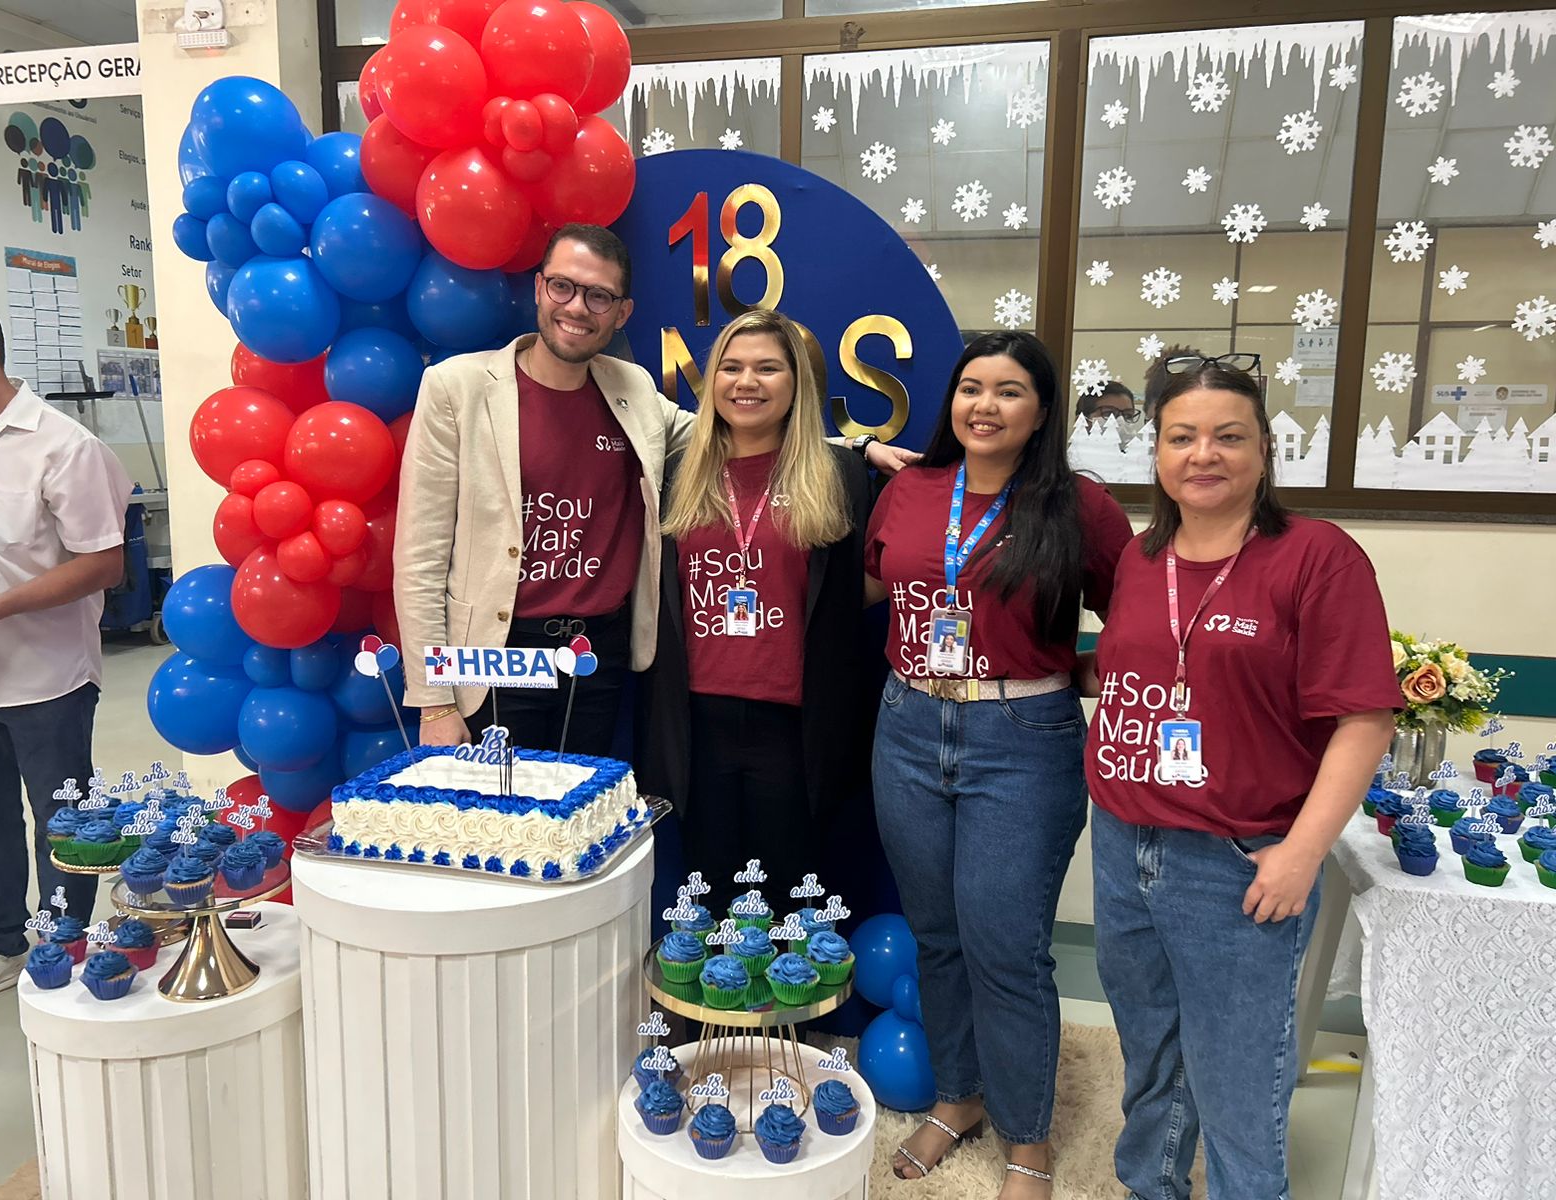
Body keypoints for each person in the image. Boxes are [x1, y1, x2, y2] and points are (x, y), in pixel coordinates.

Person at [396, 225, 909, 756]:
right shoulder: (458, 388)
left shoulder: (631, 388)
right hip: (496, 653)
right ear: (538, 287)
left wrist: (856, 446)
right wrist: (435, 703)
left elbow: (729, 430)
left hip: (596, 651)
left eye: (599, 296)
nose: (577, 308)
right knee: (500, 826)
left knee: (580, 822)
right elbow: (421, 557)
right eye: (563, 287)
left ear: (621, 313)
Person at [1084, 355, 1399, 1200]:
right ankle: (1149, 1186)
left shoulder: (1316, 558)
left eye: (1229, 436)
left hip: (1235, 861)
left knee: (1236, 1077)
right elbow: (1149, 671)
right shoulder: (1143, 559)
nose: (1204, 454)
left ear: (1264, 450)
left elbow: (1365, 718)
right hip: (1124, 843)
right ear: (1156, 453)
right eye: (1182, 437)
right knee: (1149, 1049)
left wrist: (1301, 853)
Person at [865, 331, 1133, 1195]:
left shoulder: (1081, 508)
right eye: (971, 387)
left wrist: (1067, 674)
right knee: (937, 938)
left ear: (1043, 411)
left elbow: (1135, 625)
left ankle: (1027, 1137)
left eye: (1010, 390)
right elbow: (877, 586)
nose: (985, 405)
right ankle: (958, 1096)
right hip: (906, 727)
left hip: (1020, 740)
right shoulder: (911, 489)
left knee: (1007, 949)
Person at [637, 309, 871, 910]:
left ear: (796, 386)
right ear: (712, 381)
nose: (748, 382)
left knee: (796, 901)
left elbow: (861, 593)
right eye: (732, 367)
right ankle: (712, 1009)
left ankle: (788, 1007)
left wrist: (866, 446)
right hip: (696, 723)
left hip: (795, 728)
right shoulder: (676, 473)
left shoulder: (839, 474)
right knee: (707, 895)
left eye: (768, 368)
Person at [0, 294, 132, 1018]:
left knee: (61, 821)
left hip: (46, 678)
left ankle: (60, 941)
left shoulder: (62, 445)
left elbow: (104, 564)